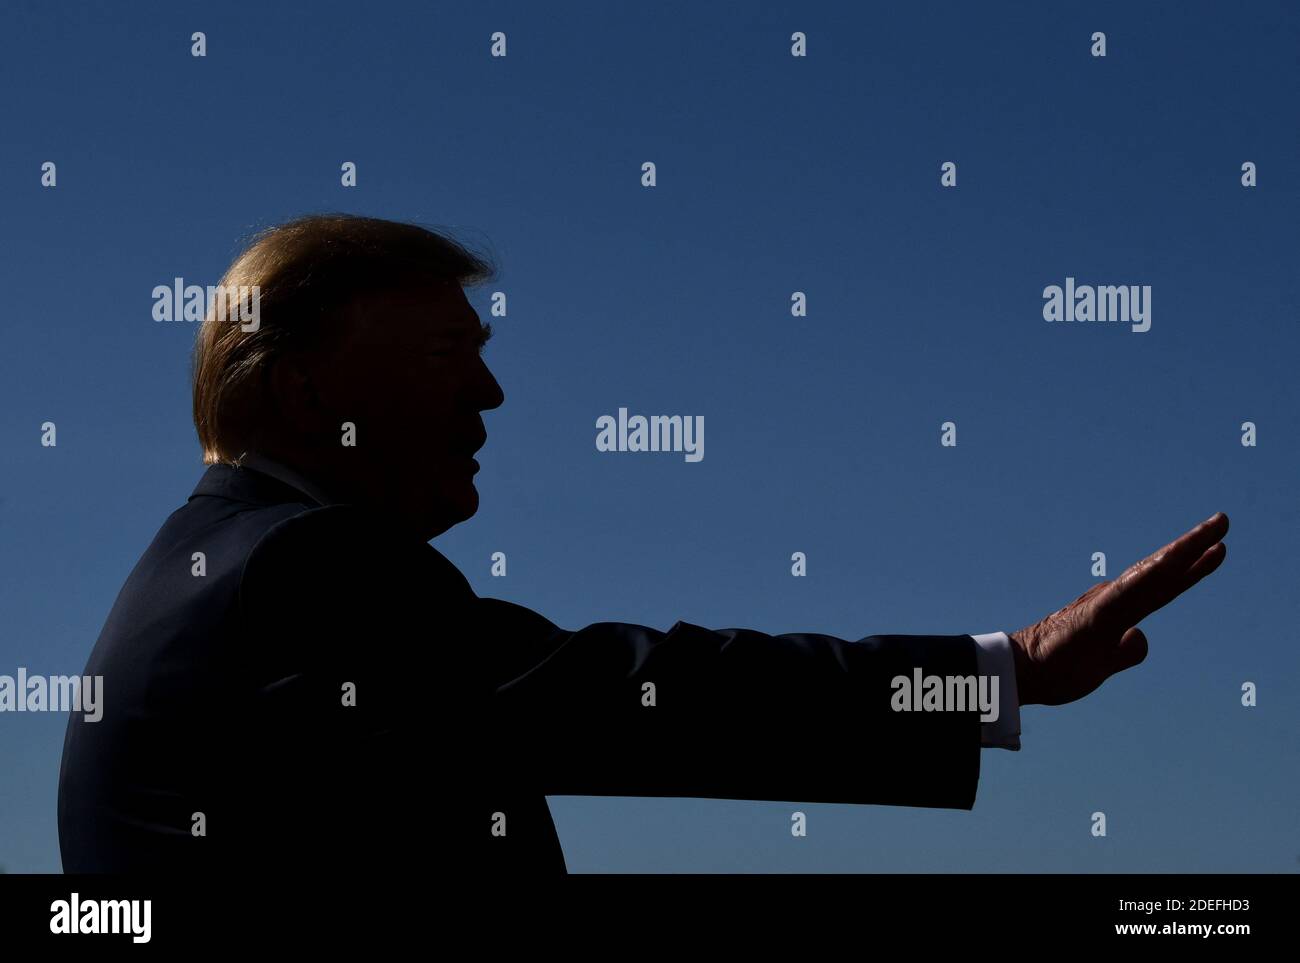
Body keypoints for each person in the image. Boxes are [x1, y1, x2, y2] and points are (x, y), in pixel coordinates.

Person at [57, 214, 1229, 875]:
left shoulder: (209, 565)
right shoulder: (300, 569)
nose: (491, 396)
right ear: (309, 398)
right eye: (441, 357)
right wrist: (996, 672)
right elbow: (641, 695)